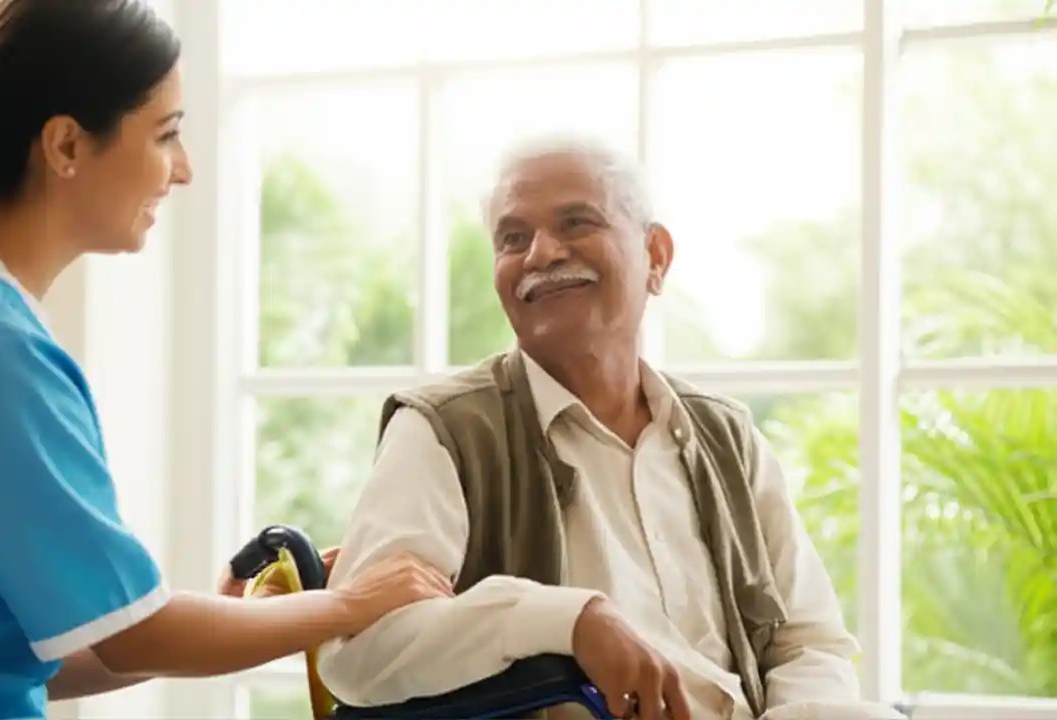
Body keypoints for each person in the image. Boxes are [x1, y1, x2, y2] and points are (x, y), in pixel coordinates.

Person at [0, 1, 450, 717]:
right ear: (65, 145)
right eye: (166, 135)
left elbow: (36, 654)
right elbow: (139, 639)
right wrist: (350, 606)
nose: (183, 170)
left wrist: (230, 612)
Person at [317, 138, 904, 720]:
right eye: (513, 238)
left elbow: (809, 641)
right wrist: (567, 620)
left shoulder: (727, 435)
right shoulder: (443, 430)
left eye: (575, 223)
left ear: (656, 256)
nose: (541, 254)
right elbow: (363, 654)